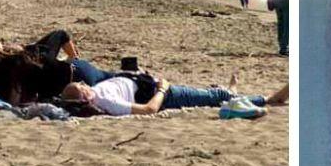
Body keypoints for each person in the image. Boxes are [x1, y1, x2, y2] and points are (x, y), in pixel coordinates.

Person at [61, 73, 288, 117]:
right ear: (86, 98)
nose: (84, 84)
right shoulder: (105, 101)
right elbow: (149, 110)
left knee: (211, 94)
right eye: (82, 87)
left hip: (146, 84)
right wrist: (163, 89)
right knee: (213, 96)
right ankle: (272, 98)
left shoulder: (96, 93)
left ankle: (232, 91)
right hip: (163, 95)